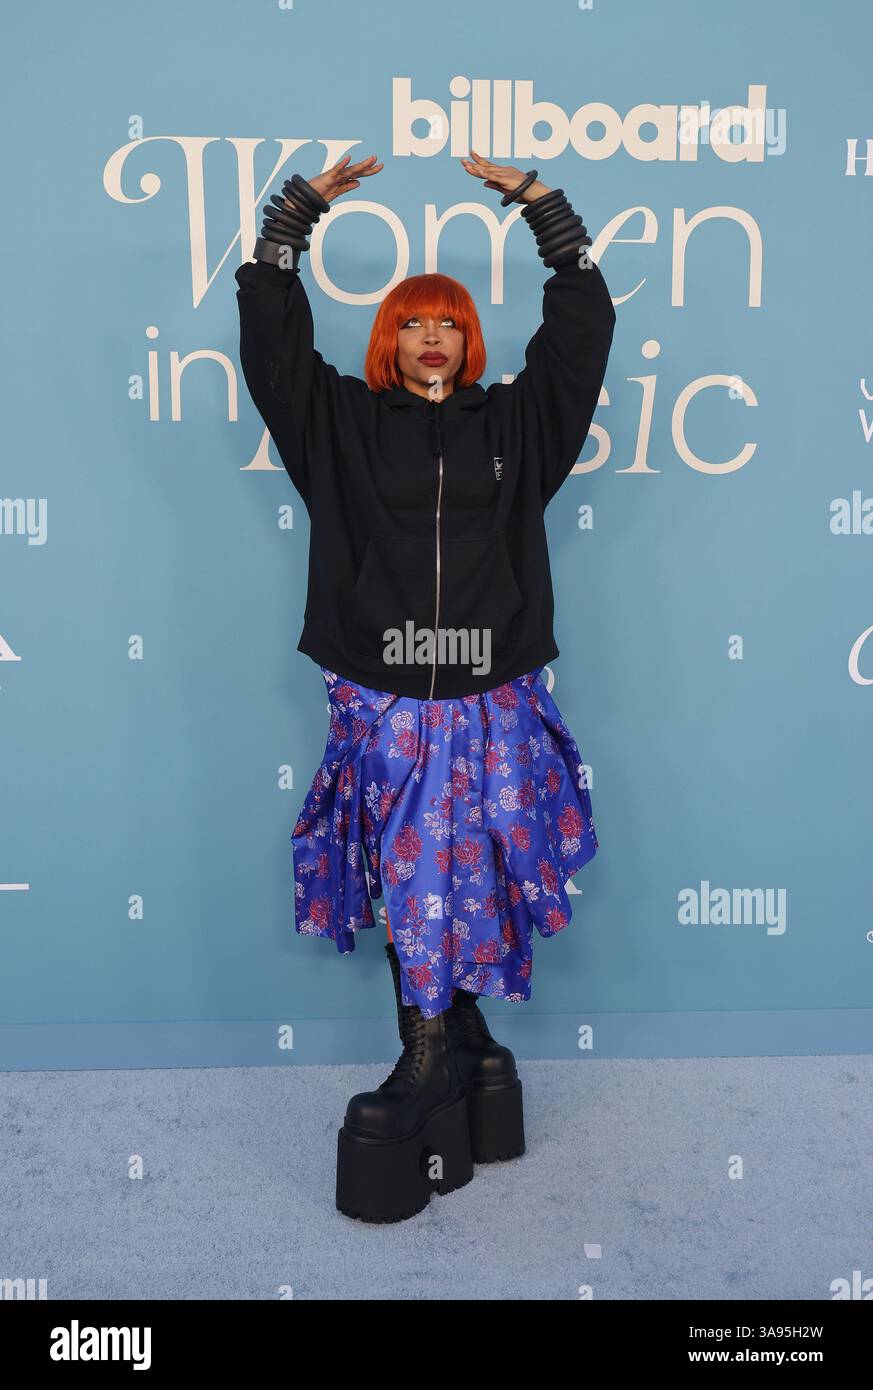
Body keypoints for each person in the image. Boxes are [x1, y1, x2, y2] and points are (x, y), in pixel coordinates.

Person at [235, 151, 616, 1222]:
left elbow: (583, 327)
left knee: (483, 869)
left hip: (496, 691)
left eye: (448, 321)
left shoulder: (517, 427)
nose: (433, 336)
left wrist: (542, 206)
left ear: (468, 338)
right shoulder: (339, 426)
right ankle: (432, 1050)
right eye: (414, 321)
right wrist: (293, 218)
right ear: (389, 340)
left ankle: (477, 1045)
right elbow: (270, 336)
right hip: (384, 690)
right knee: (415, 878)